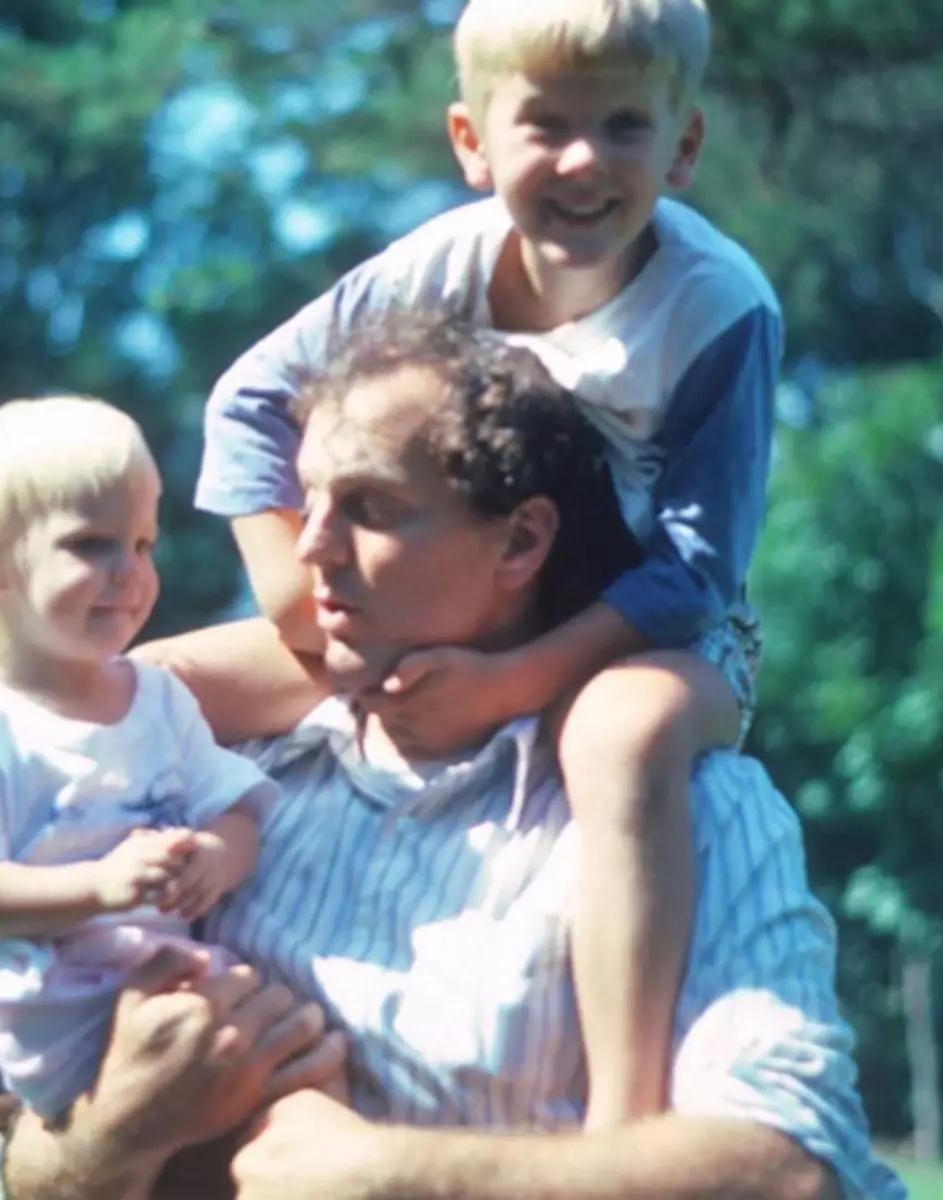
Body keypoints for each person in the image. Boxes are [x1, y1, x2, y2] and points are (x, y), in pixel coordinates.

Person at [0, 314, 905, 1199]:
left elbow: (792, 1175)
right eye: (308, 500)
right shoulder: (213, 776)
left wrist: (389, 1180)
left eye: (373, 509)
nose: (309, 547)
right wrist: (116, 1134)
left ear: (520, 541)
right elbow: (27, 1162)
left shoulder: (677, 806)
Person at [195, 0, 778, 1125]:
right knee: (147, 684)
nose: (583, 161)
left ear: (683, 145)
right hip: (447, 611)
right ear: (471, 142)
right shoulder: (434, 268)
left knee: (619, 738)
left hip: (650, 637)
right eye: (544, 124)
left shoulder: (719, 308)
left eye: (622, 126)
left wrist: (523, 680)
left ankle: (624, 1120)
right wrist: (290, 592)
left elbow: (699, 564)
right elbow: (248, 403)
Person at [0, 397, 275, 1136]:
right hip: (49, 1008)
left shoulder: (159, 700)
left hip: (171, 976)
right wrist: (96, 886)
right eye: (92, 544)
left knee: (285, 1049)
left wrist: (216, 859)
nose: (128, 572)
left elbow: (238, 809)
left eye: (142, 544)